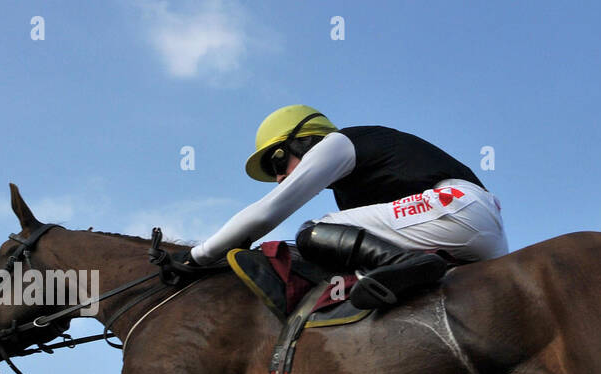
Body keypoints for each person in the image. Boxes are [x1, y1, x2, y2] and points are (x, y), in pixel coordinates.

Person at [160, 106, 508, 310]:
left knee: (312, 231)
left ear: (305, 139)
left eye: (278, 161)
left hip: (456, 207)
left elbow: (267, 213)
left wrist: (198, 256)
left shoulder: (339, 143)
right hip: (483, 238)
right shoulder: (353, 194)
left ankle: (410, 264)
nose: (280, 177)